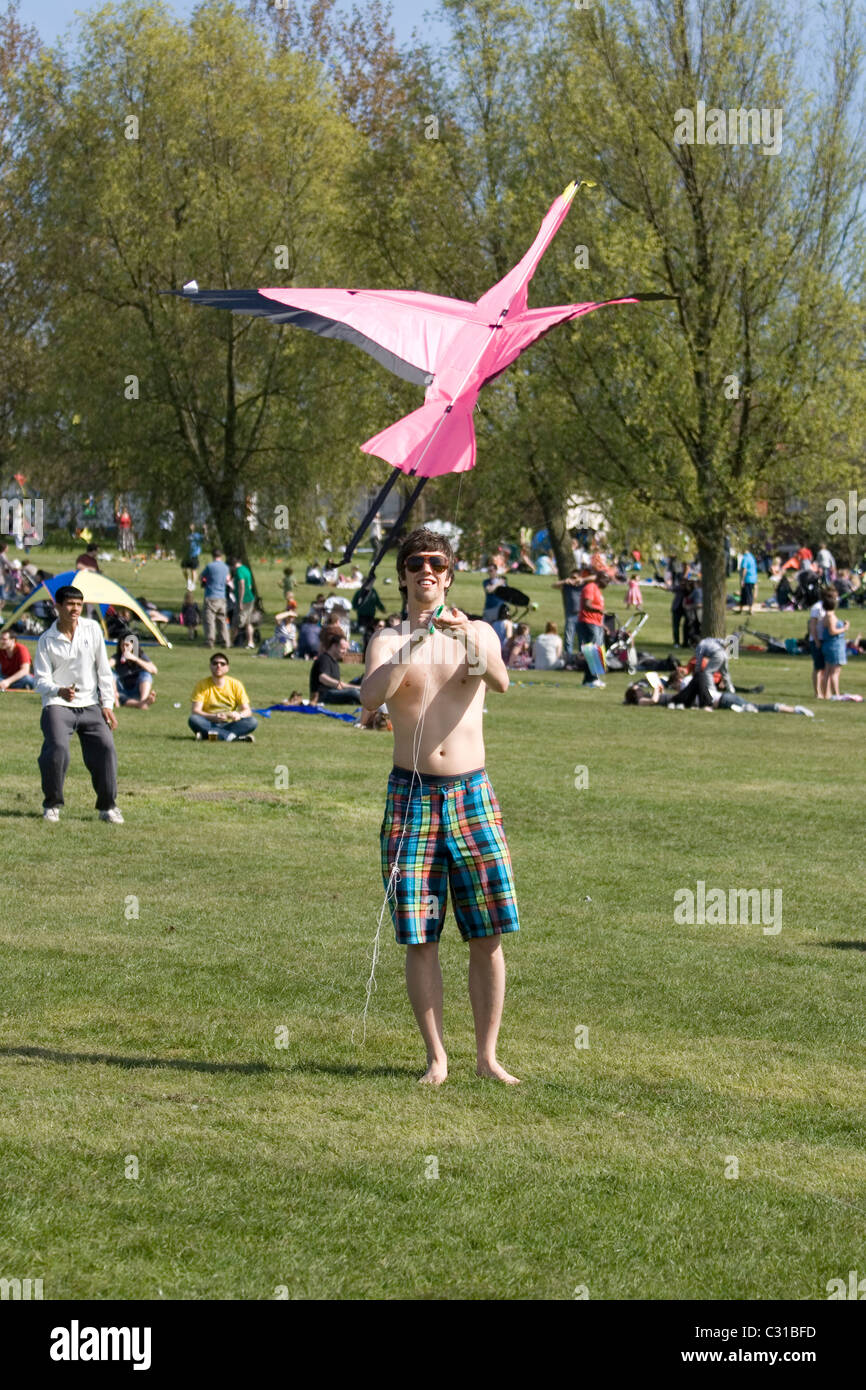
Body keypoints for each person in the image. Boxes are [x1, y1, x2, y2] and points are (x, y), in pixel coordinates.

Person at [360, 527, 519, 1086]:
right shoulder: (387, 638)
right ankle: (437, 1058)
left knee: (487, 932)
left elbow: (499, 682)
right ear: (403, 575)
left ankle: (487, 1056)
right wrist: (414, 641)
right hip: (412, 797)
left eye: (437, 564)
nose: (426, 571)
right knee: (420, 933)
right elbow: (370, 697)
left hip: (472, 793)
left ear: (449, 575)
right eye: (416, 563)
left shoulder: (476, 631)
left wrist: (464, 639)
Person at [31, 584, 122, 823]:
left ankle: (108, 807)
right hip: (56, 705)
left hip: (90, 704)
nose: (75, 609)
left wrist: (107, 705)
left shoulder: (92, 629)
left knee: (106, 747)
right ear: (57, 607)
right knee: (58, 749)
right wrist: (58, 691)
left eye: (79, 604)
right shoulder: (46, 640)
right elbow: (40, 680)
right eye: (70, 604)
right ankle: (52, 805)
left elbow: (104, 670)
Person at [188, 653, 257, 741]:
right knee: (194, 719)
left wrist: (239, 715)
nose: (218, 666)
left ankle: (208, 735)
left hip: (230, 723)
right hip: (209, 722)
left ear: (227, 668)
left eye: (222, 664)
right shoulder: (201, 684)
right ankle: (233, 738)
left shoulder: (236, 684)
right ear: (210, 666)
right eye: (215, 663)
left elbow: (247, 710)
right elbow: (196, 711)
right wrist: (213, 717)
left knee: (252, 721)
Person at [309, 631, 362, 704]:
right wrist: (338, 684)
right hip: (324, 695)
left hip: (333, 691)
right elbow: (322, 678)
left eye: (346, 649)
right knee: (353, 693)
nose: (345, 652)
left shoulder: (334, 661)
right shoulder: (324, 659)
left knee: (361, 679)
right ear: (334, 646)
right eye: (343, 648)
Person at [577, 569, 609, 687]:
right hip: (588, 622)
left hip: (596, 623)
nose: (607, 582)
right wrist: (599, 610)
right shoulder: (590, 587)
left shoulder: (597, 590)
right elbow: (587, 605)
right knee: (592, 652)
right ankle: (591, 679)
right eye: (605, 579)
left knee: (595, 651)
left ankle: (589, 679)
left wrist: (603, 625)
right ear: (598, 578)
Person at [112, 632, 157, 708]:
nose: (124, 648)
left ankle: (143, 700)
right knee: (110, 673)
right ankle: (141, 704)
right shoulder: (118, 657)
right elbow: (106, 666)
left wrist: (135, 659)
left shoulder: (140, 656)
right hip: (122, 691)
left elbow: (154, 670)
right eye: (122, 645)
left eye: (127, 645)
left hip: (137, 689)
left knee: (145, 674)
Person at [819, 592, 848, 698]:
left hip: (828, 645)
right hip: (834, 646)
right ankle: (836, 694)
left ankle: (826, 693)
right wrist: (844, 628)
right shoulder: (830, 617)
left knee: (827, 671)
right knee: (835, 672)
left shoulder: (826, 616)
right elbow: (832, 631)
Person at [200, 548, 231, 648]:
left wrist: (206, 581)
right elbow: (228, 579)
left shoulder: (210, 566)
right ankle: (225, 641)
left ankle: (210, 640)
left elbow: (202, 577)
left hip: (211, 595)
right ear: (221, 556)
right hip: (222, 596)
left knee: (209, 620)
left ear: (212, 555)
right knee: (222, 620)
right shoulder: (226, 567)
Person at [552, 568, 583, 656]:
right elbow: (554, 585)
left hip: (581, 615)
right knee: (569, 638)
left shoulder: (583, 586)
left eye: (575, 577)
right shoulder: (567, 586)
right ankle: (568, 657)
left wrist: (581, 581)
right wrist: (565, 581)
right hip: (570, 615)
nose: (573, 579)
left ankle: (581, 657)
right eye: (572, 577)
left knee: (582, 639)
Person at [230, 555, 256, 649]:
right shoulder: (246, 569)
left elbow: (242, 584)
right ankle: (250, 642)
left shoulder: (239, 571)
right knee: (248, 622)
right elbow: (249, 585)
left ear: (233, 565)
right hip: (250, 598)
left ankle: (231, 642)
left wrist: (240, 601)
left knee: (236, 623)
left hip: (243, 600)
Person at [808, 586, 830, 697]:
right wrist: (816, 641)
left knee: (825, 667)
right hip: (817, 639)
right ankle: (818, 693)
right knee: (818, 667)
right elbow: (812, 625)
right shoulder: (817, 607)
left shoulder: (828, 607)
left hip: (826, 639)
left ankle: (825, 692)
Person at [182, 524, 205, 592]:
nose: (190, 527)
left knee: (193, 570)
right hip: (187, 555)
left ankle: (193, 584)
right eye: (189, 526)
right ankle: (189, 582)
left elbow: (203, 538)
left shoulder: (197, 535)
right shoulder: (187, 535)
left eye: (191, 526)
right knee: (184, 570)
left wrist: (204, 530)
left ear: (194, 527)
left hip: (194, 555)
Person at [738, 548, 757, 613]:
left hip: (747, 579)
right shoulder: (752, 557)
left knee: (748, 594)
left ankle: (750, 609)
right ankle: (741, 609)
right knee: (743, 594)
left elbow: (744, 569)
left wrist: (742, 579)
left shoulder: (745, 558)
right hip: (753, 578)